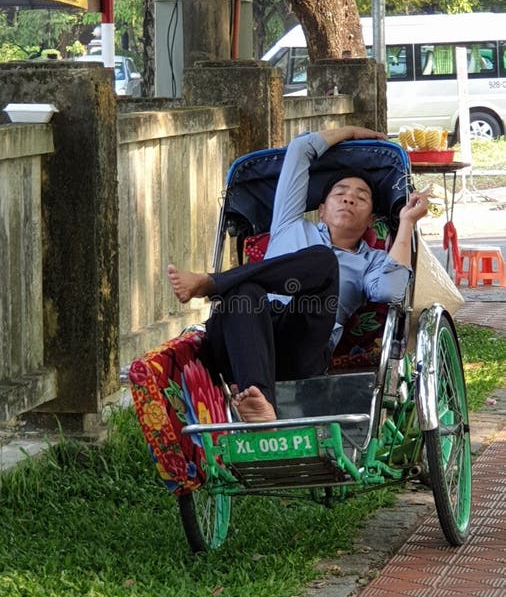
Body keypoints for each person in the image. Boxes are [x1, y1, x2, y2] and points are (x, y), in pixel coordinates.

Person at [168, 125, 429, 422]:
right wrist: (353, 132)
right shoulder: (289, 224)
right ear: (321, 209)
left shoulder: (371, 260)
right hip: (243, 335)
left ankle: (212, 283)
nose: (348, 199)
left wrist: (406, 222)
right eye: (339, 193)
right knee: (245, 291)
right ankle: (261, 402)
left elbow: (391, 291)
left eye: (361, 197)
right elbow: (300, 150)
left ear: (371, 219)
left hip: (301, 348)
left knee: (323, 260)